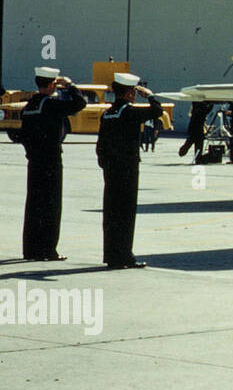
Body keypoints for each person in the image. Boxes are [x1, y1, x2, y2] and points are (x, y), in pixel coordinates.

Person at [18, 67, 87, 262]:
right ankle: (47, 249)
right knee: (50, 204)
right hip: (50, 159)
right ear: (50, 84)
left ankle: (31, 248)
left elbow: (24, 135)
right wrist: (70, 85)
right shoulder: (49, 104)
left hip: (34, 159)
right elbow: (79, 103)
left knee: (34, 204)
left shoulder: (30, 105)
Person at [96, 72, 163, 269]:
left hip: (110, 168)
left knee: (111, 212)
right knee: (125, 213)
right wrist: (150, 95)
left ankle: (111, 255)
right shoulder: (130, 112)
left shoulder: (107, 113)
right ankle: (124, 256)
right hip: (127, 169)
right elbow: (157, 111)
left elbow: (101, 144)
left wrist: (105, 163)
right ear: (131, 93)